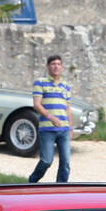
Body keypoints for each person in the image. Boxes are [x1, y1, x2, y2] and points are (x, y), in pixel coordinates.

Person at [28, 54, 72, 183]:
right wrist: (50, 117)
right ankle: (31, 182)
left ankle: (61, 189)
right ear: (48, 67)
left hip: (64, 130)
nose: (56, 66)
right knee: (46, 161)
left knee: (66, 164)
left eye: (58, 64)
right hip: (47, 129)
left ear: (62, 67)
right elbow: (36, 104)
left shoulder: (66, 86)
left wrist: (70, 127)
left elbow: (68, 108)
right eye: (53, 64)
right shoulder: (40, 82)